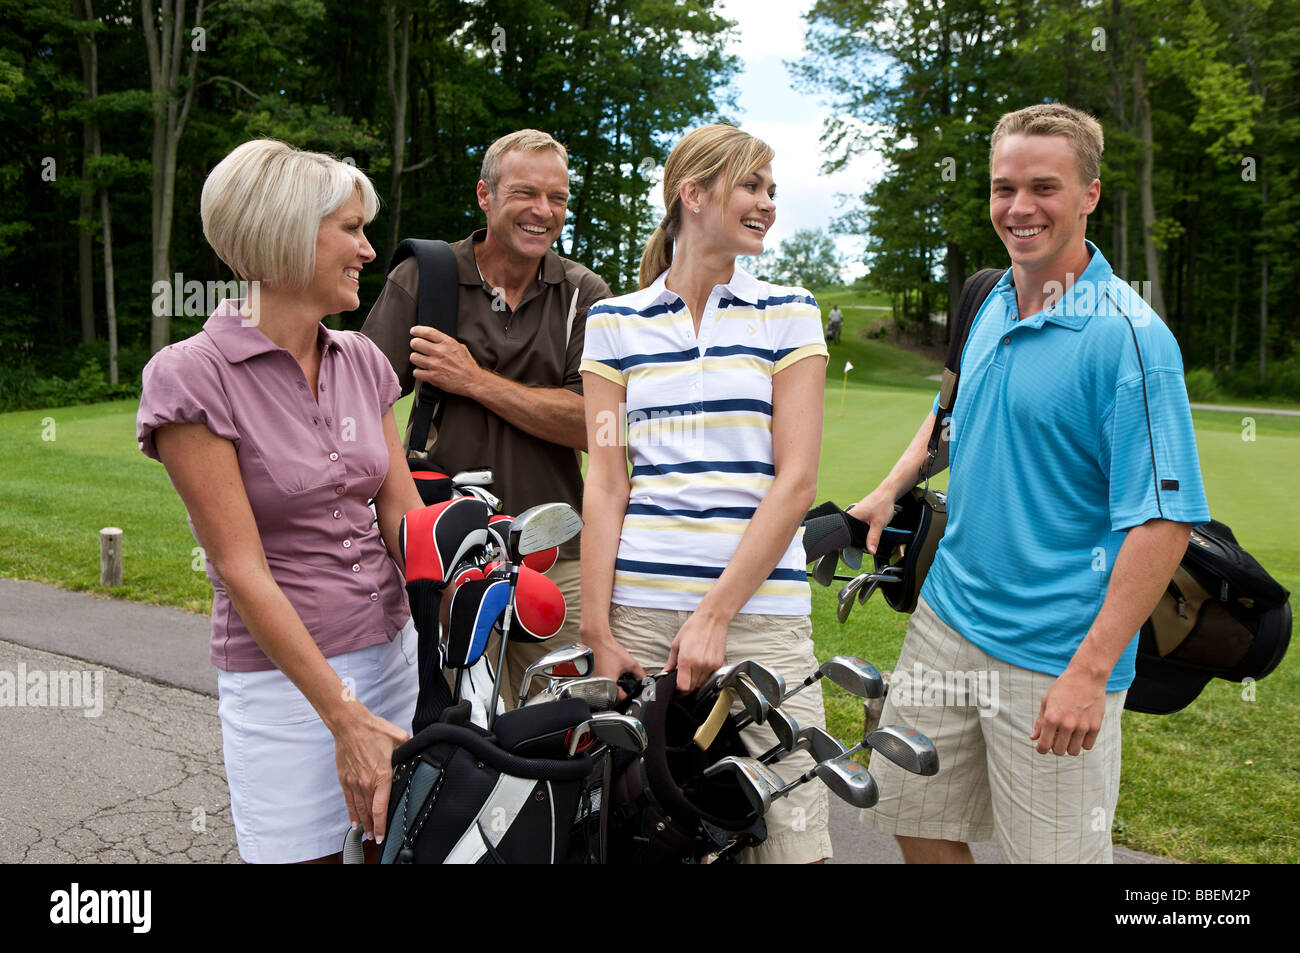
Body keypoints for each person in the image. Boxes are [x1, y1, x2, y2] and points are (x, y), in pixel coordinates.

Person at [850, 104, 1210, 863]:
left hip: (1054, 654)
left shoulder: (1131, 341)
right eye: (1003, 186)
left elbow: (1164, 522)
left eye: (1044, 186)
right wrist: (892, 484)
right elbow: (954, 414)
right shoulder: (989, 298)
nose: (1019, 208)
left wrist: (1089, 672)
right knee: (915, 815)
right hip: (946, 623)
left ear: (1090, 194)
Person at [137, 139, 423, 864]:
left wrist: (468, 585)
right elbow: (241, 567)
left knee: (404, 851)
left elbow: (402, 516)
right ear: (287, 235)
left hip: (393, 655)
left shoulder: (361, 359)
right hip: (286, 684)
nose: (368, 249)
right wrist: (341, 714)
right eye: (351, 230)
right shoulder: (191, 377)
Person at [579, 124, 833, 864]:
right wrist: (598, 630)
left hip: (761, 621)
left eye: (771, 191)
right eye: (751, 187)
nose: (766, 204)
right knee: (645, 839)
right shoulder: (613, 323)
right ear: (694, 194)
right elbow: (605, 479)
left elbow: (797, 481)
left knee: (793, 848)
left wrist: (715, 614)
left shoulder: (788, 310)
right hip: (642, 619)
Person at [362, 129, 611, 708]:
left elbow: (592, 426)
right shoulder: (427, 276)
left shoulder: (583, 292)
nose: (543, 212)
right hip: (443, 550)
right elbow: (356, 402)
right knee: (446, 726)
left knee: (559, 726)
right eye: (526, 193)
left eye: (558, 198)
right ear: (486, 195)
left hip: (557, 555)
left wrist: (473, 380)